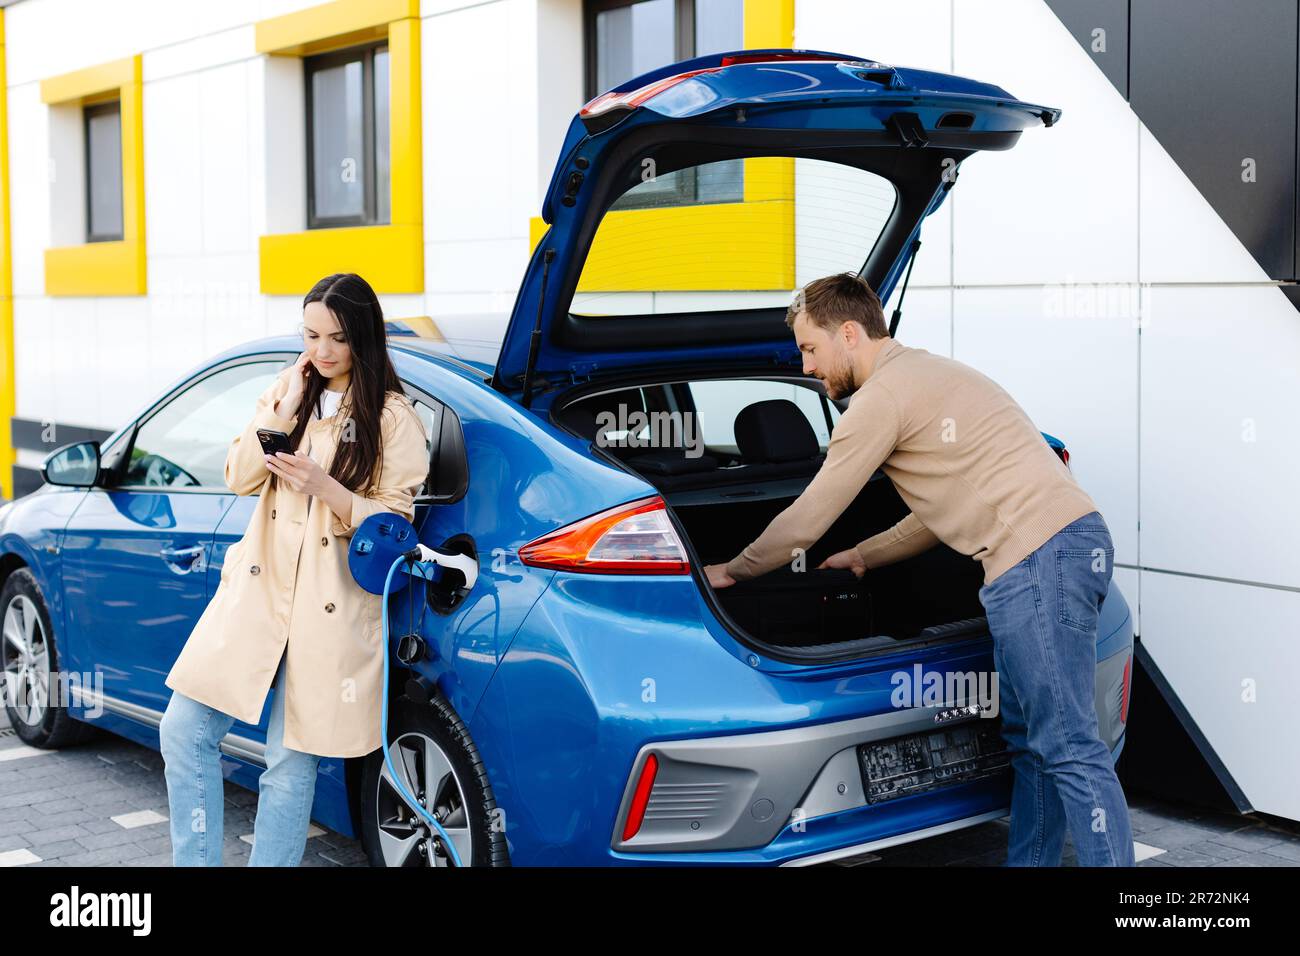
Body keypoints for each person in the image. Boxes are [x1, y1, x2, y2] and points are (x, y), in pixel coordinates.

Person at [703, 272, 1135, 867]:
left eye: (810, 348)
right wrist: (864, 555)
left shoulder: (880, 398)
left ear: (849, 334)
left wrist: (734, 568)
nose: (805, 365)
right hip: (1058, 546)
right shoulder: (930, 373)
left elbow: (808, 518)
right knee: (1035, 746)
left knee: (1068, 746)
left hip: (1037, 560)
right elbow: (942, 511)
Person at [159, 272, 431, 866]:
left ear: (364, 337)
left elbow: (396, 529)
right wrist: (279, 414)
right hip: (257, 598)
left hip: (326, 612)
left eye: (337, 338)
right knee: (183, 729)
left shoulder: (392, 418)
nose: (322, 351)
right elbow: (238, 478)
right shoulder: (290, 388)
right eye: (310, 335)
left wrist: (329, 488)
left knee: (288, 764)